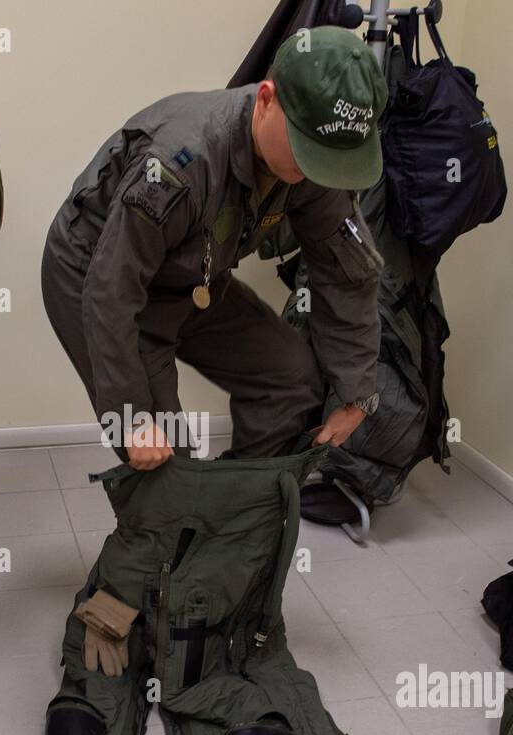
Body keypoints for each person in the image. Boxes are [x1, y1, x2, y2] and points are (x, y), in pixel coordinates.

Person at [41, 25, 387, 470]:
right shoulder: (180, 161)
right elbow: (111, 288)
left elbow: (347, 273)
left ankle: (237, 501)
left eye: (330, 157)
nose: (314, 168)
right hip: (95, 271)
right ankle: (183, 505)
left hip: (190, 274)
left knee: (292, 381)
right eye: (307, 148)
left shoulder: (315, 168)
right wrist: (132, 418)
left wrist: (357, 393)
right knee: (167, 464)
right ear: (266, 99)